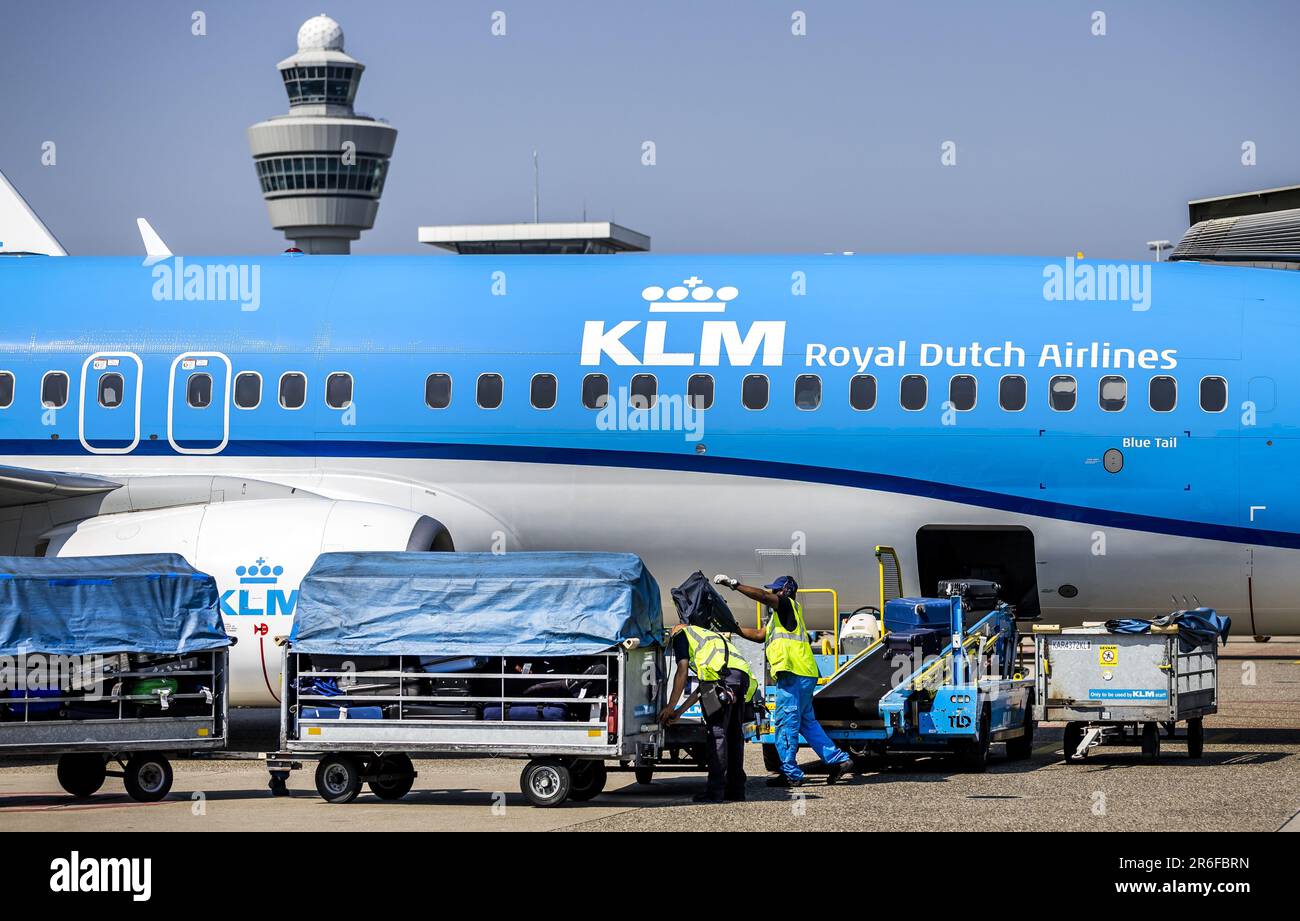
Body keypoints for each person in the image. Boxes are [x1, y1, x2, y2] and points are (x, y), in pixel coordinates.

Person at [715, 573, 850, 787]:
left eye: (776, 590)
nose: (772, 594)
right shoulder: (780, 619)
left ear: (785, 591)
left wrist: (735, 585)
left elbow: (764, 597)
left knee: (785, 723)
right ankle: (838, 760)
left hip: (792, 674)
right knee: (807, 722)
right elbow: (761, 635)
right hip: (804, 673)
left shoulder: (786, 605)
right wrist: (735, 629)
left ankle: (791, 773)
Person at [659, 623, 757, 803]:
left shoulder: (681, 635)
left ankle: (715, 791)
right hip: (737, 679)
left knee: (717, 734)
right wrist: (679, 711)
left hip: (722, 680)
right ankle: (736, 791)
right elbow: (703, 689)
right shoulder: (707, 637)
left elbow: (681, 671)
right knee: (734, 736)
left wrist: (670, 706)